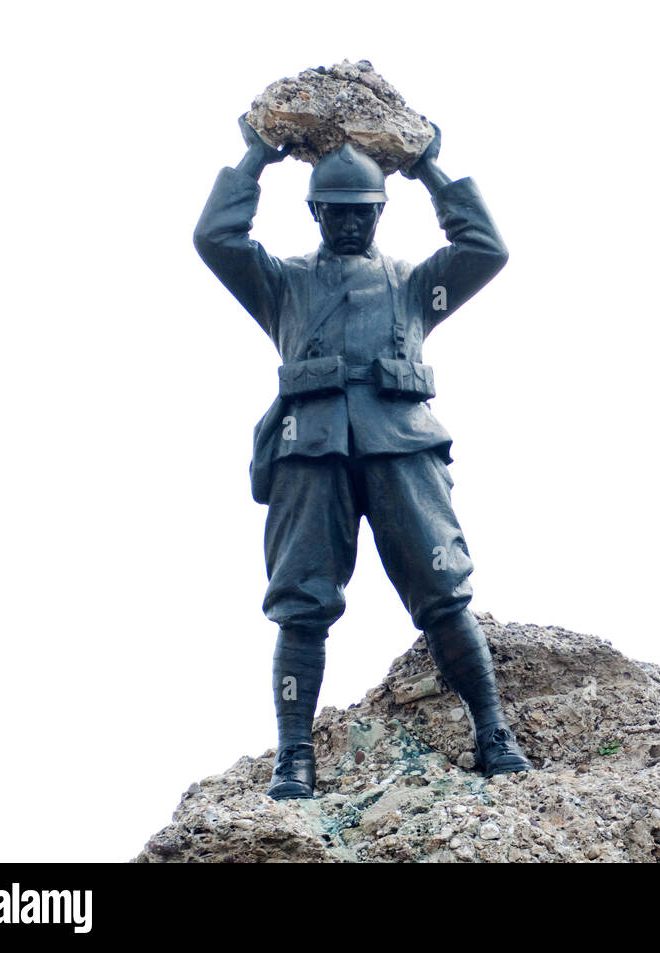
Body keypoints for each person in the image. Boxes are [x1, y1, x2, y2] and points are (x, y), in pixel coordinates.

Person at [194, 115, 533, 799]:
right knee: (300, 605)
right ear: (316, 210)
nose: (350, 223)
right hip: (310, 454)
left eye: (364, 212)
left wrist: (431, 166)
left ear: (381, 212)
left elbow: (485, 248)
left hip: (401, 449)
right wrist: (255, 156)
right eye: (338, 211)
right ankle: (295, 756)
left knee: (444, 596)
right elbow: (216, 238)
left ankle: (493, 729)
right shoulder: (281, 286)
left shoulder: (415, 287)